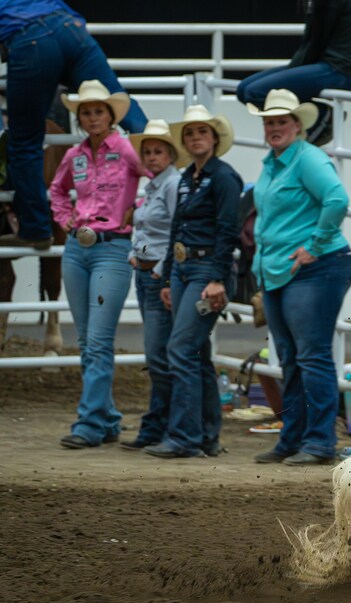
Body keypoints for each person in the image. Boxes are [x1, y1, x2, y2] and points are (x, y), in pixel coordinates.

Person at [246, 90, 351, 466]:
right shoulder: (276, 162)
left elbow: (337, 200)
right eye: (269, 122)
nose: (274, 128)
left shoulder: (307, 158)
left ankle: (319, 441)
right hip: (285, 270)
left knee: (309, 356)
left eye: (281, 121)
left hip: (316, 266)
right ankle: (294, 437)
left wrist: (315, 243)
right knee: (293, 357)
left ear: (297, 125)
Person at [0, 1, 149, 250]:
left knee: (24, 141)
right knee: (117, 99)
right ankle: (167, 169)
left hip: (30, 40)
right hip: (71, 28)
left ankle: (36, 228)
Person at [47, 80, 144, 449]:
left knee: (98, 341)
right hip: (78, 247)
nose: (91, 118)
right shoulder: (75, 156)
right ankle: (108, 419)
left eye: (97, 111)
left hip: (112, 247)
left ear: (110, 115)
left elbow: (155, 175)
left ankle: (89, 422)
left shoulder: (128, 150)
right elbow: (57, 189)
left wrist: (142, 215)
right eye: (86, 112)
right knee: (89, 341)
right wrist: (64, 217)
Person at [143, 106, 243, 459]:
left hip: (206, 270)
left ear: (214, 139)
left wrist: (217, 277)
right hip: (187, 269)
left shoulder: (224, 178)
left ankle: (184, 437)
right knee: (195, 353)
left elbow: (228, 229)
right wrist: (169, 274)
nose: (195, 137)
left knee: (181, 349)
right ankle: (204, 436)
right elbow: (176, 229)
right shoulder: (189, 177)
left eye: (201, 132)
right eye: (189, 133)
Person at [120, 120, 187, 451]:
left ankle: (160, 427)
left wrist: (161, 268)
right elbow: (147, 229)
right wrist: (136, 253)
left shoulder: (172, 185)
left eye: (158, 151)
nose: (152, 156)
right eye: (147, 152)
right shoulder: (155, 186)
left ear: (171, 154)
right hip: (148, 273)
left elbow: (178, 230)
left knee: (159, 355)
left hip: (158, 275)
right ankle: (162, 425)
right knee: (159, 354)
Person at [235, 0, 351, 145]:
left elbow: (315, 44)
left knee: (255, 93)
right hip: (323, 65)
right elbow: (311, 44)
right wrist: (293, 71)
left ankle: (322, 115)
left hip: (337, 70)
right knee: (243, 90)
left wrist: (293, 71)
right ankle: (310, 118)